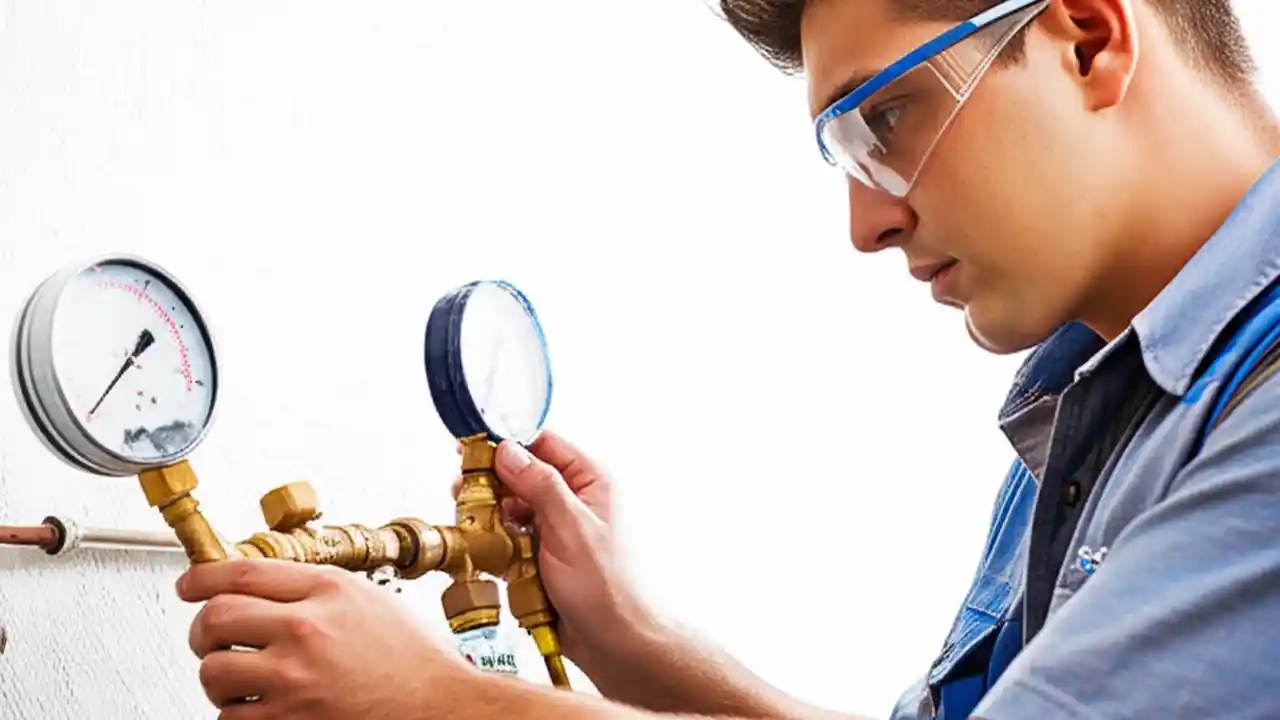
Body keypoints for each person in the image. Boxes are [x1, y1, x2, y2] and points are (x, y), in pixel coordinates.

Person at [175, 0, 1280, 717]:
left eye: (883, 118)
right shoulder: (1098, 408)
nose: (864, 222)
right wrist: (643, 649)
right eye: (839, 149)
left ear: (1088, 40)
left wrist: (442, 700)